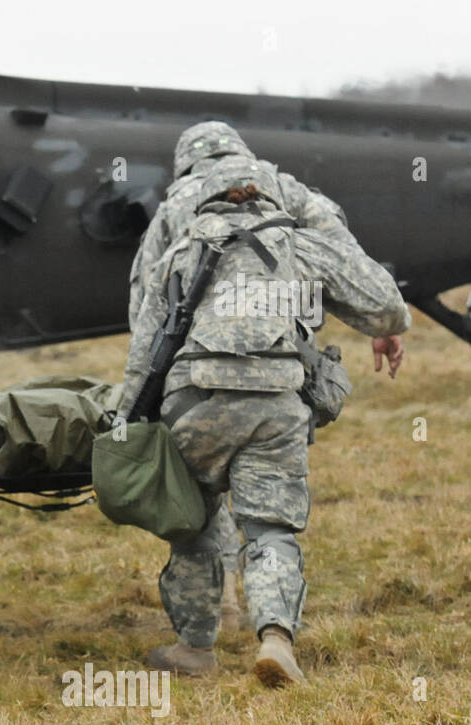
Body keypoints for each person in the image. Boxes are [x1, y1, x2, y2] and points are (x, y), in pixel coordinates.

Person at [127, 155, 408, 687]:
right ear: (271, 196)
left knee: (194, 524)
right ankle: (275, 639)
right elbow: (387, 308)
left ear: (203, 197)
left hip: (195, 403)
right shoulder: (297, 245)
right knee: (270, 529)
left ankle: (195, 649)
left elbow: (142, 354)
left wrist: (125, 428)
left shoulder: (178, 254)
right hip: (275, 403)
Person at [129, 121, 352, 630]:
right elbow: (344, 255)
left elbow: (145, 308)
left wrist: (133, 414)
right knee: (268, 521)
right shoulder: (285, 188)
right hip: (278, 381)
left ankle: (207, 628)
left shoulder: (175, 207)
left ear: (185, 162)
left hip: (195, 385)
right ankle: (274, 636)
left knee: (196, 511)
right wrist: (386, 325)